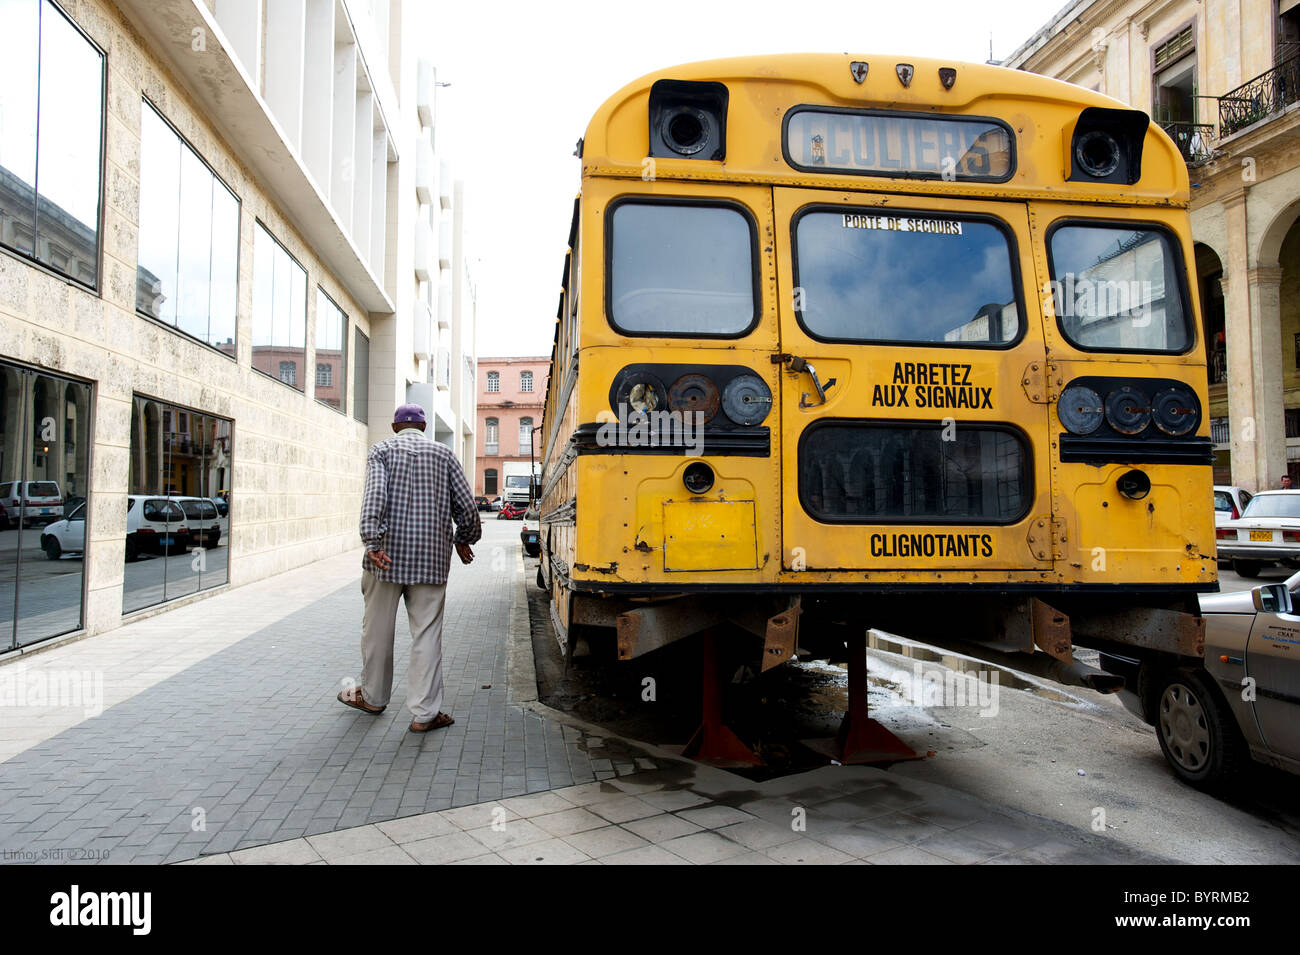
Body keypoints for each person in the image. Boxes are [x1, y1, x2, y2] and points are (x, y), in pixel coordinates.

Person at [339, 403, 481, 732]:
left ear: (394, 426)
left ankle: (373, 698)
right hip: (431, 559)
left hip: (384, 559)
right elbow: (467, 507)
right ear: (424, 426)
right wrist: (464, 538)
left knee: (376, 631)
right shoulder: (444, 455)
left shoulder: (382, 451)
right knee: (427, 634)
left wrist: (372, 542)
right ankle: (425, 714)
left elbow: (374, 496)